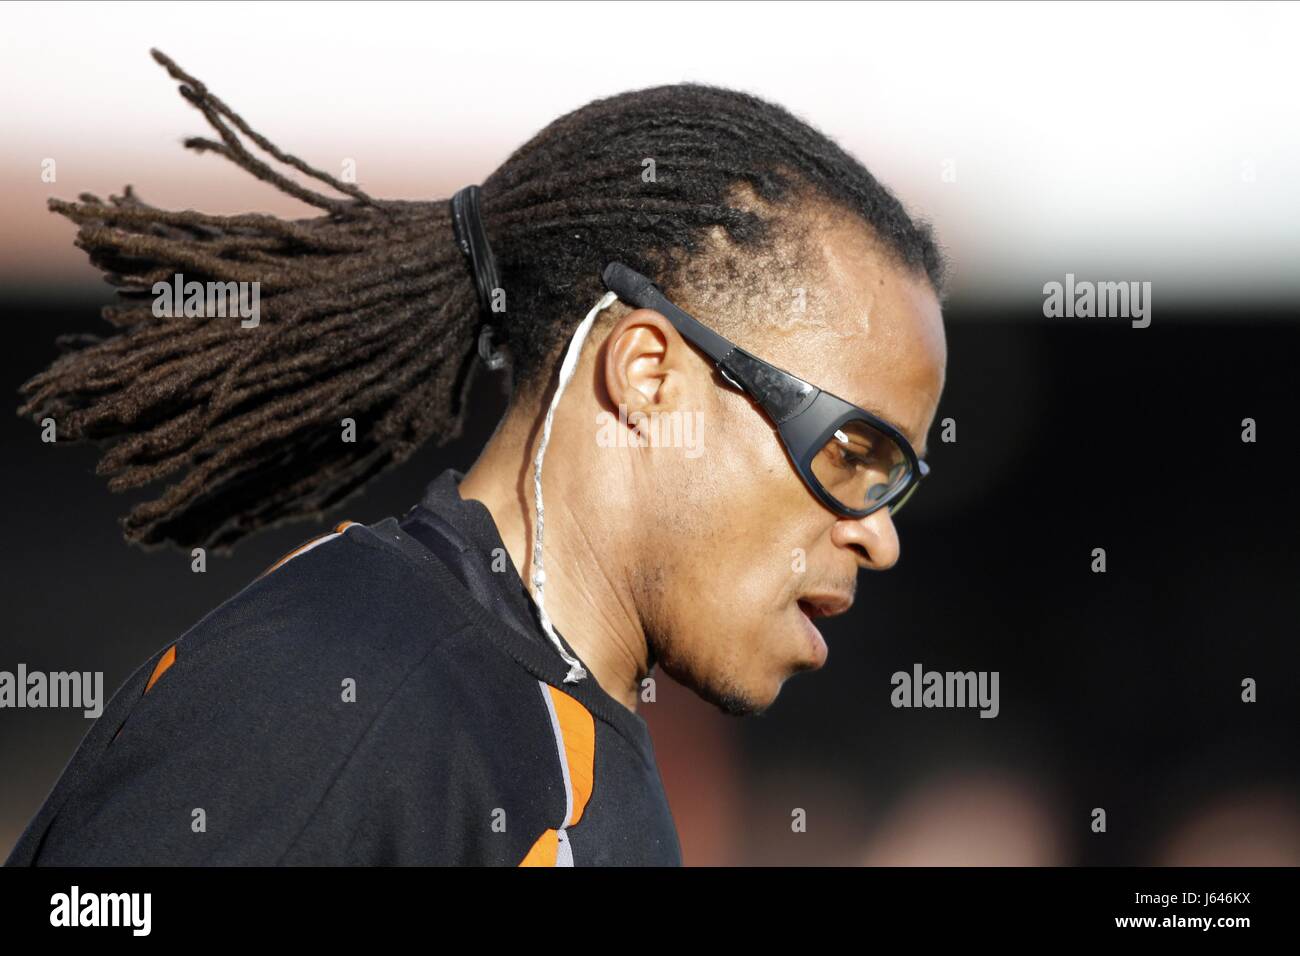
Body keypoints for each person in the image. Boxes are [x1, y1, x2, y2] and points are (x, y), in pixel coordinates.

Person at [7, 50, 947, 866]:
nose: (879, 536)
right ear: (648, 377)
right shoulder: (342, 685)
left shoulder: (571, 743)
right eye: (852, 448)